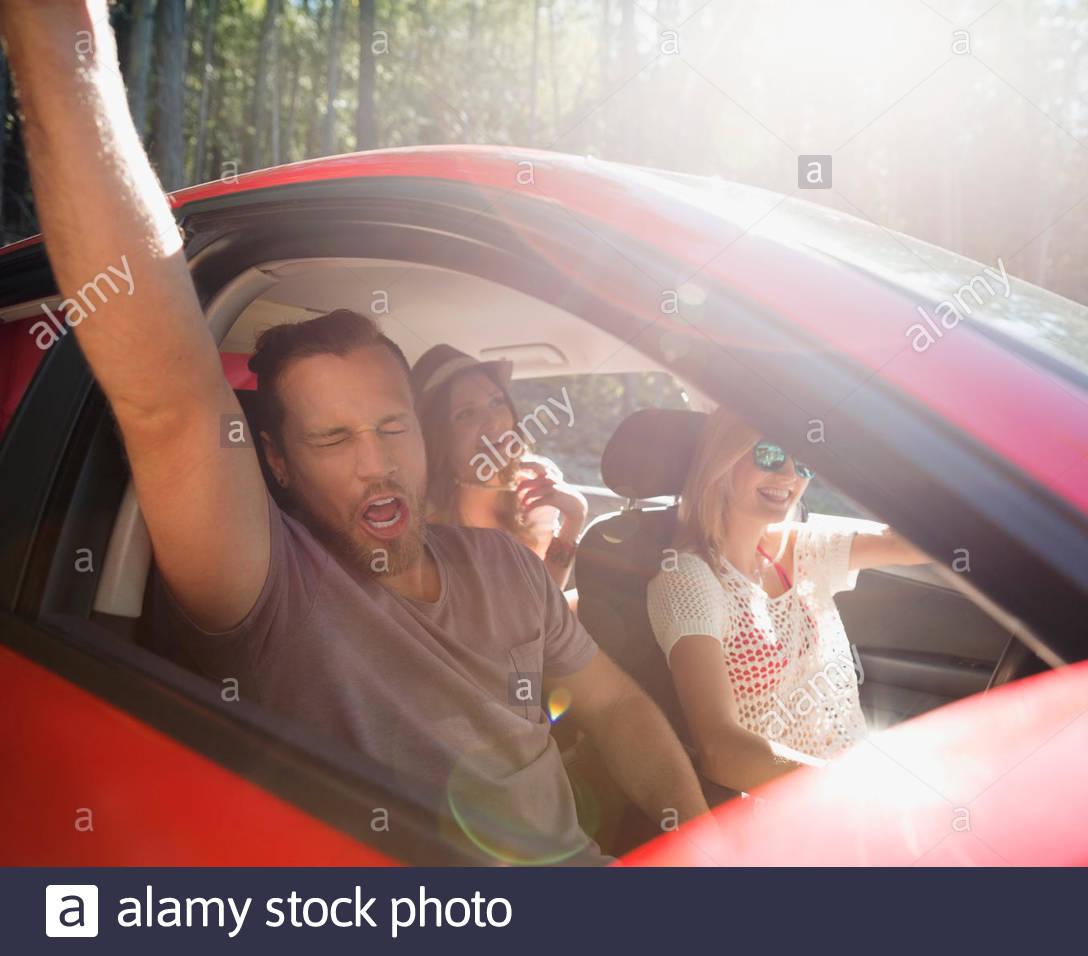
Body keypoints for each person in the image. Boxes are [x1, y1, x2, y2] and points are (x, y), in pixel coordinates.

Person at [0, 0, 712, 864]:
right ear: (279, 462)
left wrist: (696, 848)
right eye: (333, 440)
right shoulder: (270, 591)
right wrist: (59, 35)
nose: (377, 465)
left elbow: (615, 708)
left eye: (392, 426)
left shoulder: (507, 570)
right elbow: (171, 406)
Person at [646, 407, 931, 794]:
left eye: (805, 463)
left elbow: (910, 545)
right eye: (770, 454)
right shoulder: (688, 579)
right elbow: (720, 748)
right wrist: (853, 793)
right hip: (794, 801)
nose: (790, 475)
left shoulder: (795, 548)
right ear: (722, 460)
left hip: (852, 768)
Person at [411, 344, 586, 602]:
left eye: (496, 401)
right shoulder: (418, 510)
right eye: (466, 413)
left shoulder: (533, 484)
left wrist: (574, 517)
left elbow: (545, 602)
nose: (493, 421)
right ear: (437, 435)